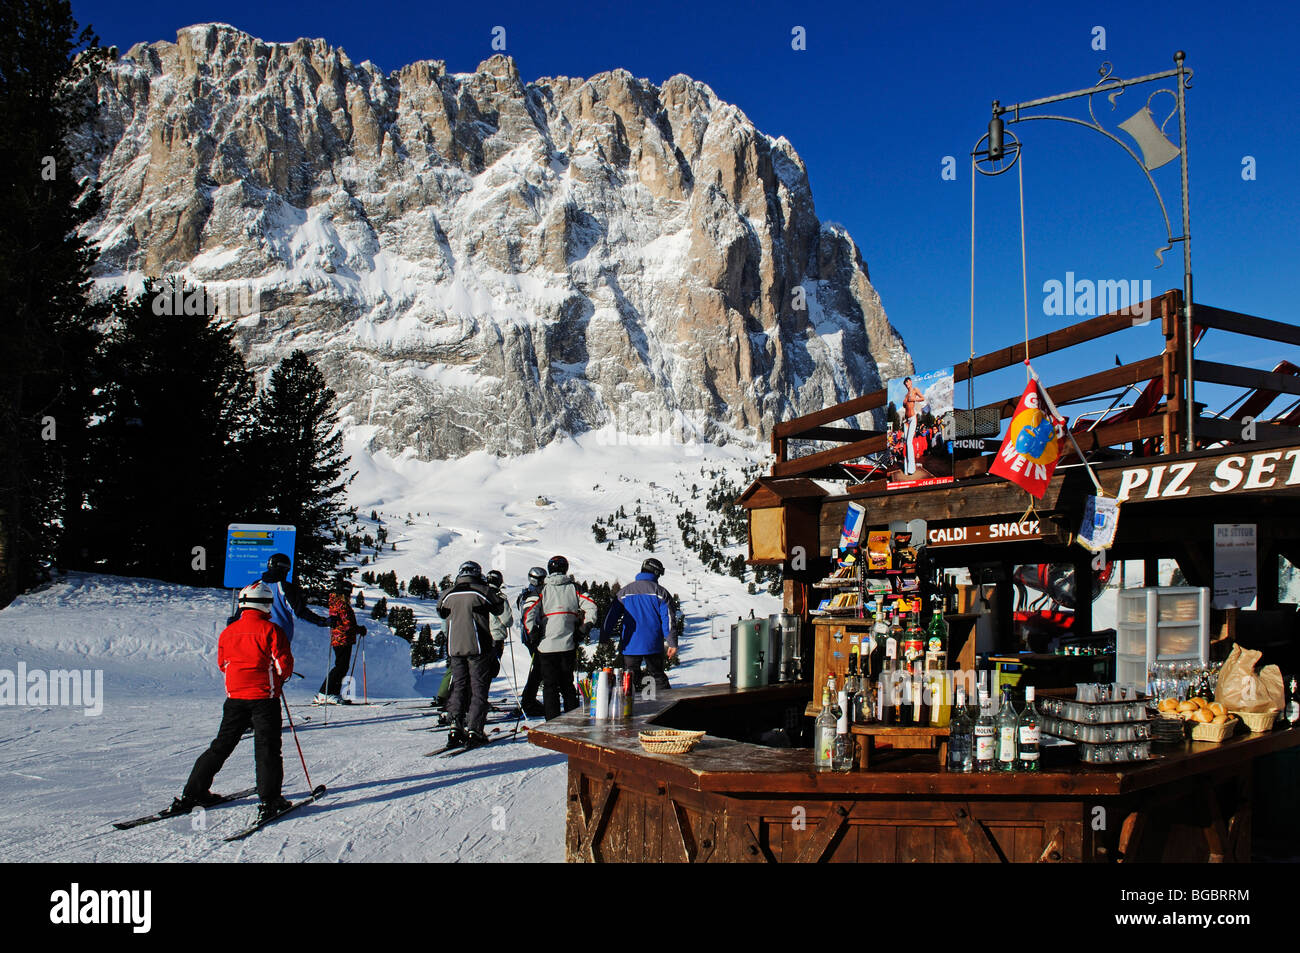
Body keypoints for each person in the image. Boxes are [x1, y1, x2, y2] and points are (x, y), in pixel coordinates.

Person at [176, 581, 294, 824]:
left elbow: (223, 664)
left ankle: (194, 792)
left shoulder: (228, 632)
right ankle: (270, 800)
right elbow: (283, 665)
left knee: (222, 745)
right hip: (264, 698)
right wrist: (279, 679)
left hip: (234, 698)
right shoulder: (272, 630)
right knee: (267, 748)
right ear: (266, 604)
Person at [437, 561, 506, 748]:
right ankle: (475, 729)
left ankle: (454, 726)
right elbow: (499, 608)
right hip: (478, 646)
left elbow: (441, 611)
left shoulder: (448, 593)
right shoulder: (481, 591)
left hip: (454, 647)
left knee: (459, 687)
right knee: (479, 689)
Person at [522, 555, 597, 720]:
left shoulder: (542, 589)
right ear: (565, 569)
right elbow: (592, 606)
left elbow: (528, 611)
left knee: (550, 687)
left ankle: (553, 723)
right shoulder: (575, 588)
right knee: (567, 685)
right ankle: (573, 721)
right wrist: (583, 628)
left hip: (546, 645)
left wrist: (532, 632)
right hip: (568, 643)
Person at [601, 557, 677, 694]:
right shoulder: (660, 592)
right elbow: (669, 619)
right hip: (653, 644)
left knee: (629, 680)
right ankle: (665, 706)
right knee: (658, 677)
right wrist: (672, 642)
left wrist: (604, 636)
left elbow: (610, 616)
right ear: (656, 572)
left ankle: (629, 710)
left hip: (630, 645)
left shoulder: (624, 592)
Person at [262, 553, 328, 643]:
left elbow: (241, 613)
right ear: (284, 569)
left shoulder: (254, 586)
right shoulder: (283, 587)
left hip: (254, 639)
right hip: (277, 639)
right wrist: (320, 621)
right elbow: (299, 611)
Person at [315, 588, 366, 704]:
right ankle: (324, 693)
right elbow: (347, 625)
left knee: (342, 666)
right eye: (348, 594)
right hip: (343, 638)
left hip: (339, 638)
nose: (350, 596)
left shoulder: (335, 604)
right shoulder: (342, 605)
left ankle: (332, 693)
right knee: (341, 667)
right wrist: (359, 629)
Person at [515, 566, 547, 717]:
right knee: (539, 667)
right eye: (539, 579)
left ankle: (529, 699)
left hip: (530, 634)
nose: (541, 581)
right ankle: (528, 700)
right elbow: (528, 614)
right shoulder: (532, 593)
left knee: (538, 667)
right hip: (533, 634)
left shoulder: (527, 593)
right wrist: (534, 631)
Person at [484, 569, 513, 680]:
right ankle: (482, 695)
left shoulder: (480, 594)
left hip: (480, 636)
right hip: (496, 637)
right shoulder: (499, 597)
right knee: (492, 669)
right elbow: (507, 620)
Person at [901, 377, 924, 475]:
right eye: (905, 383)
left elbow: (922, 398)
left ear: (910, 382)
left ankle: (912, 469)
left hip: (913, 418)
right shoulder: (906, 395)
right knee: (906, 442)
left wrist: (914, 399)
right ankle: (906, 469)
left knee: (909, 442)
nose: (907, 384)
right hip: (906, 420)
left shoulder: (915, 390)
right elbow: (904, 406)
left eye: (907, 382)